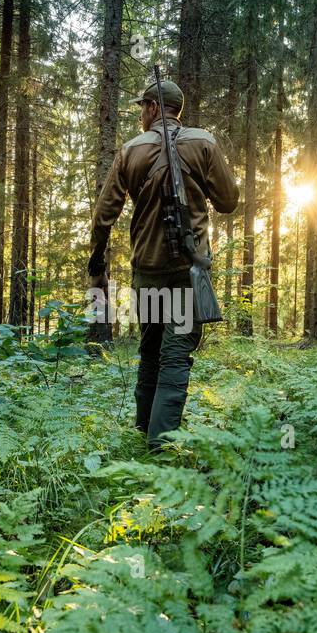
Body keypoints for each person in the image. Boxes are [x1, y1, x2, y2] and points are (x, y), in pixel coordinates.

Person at [88, 77, 239, 449]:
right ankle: (161, 446)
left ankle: (143, 436)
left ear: (155, 108)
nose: (141, 113)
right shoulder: (204, 142)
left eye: (143, 106)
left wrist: (97, 268)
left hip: (147, 273)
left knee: (151, 351)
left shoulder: (130, 150)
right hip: (189, 275)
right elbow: (228, 201)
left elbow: (103, 216)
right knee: (175, 356)